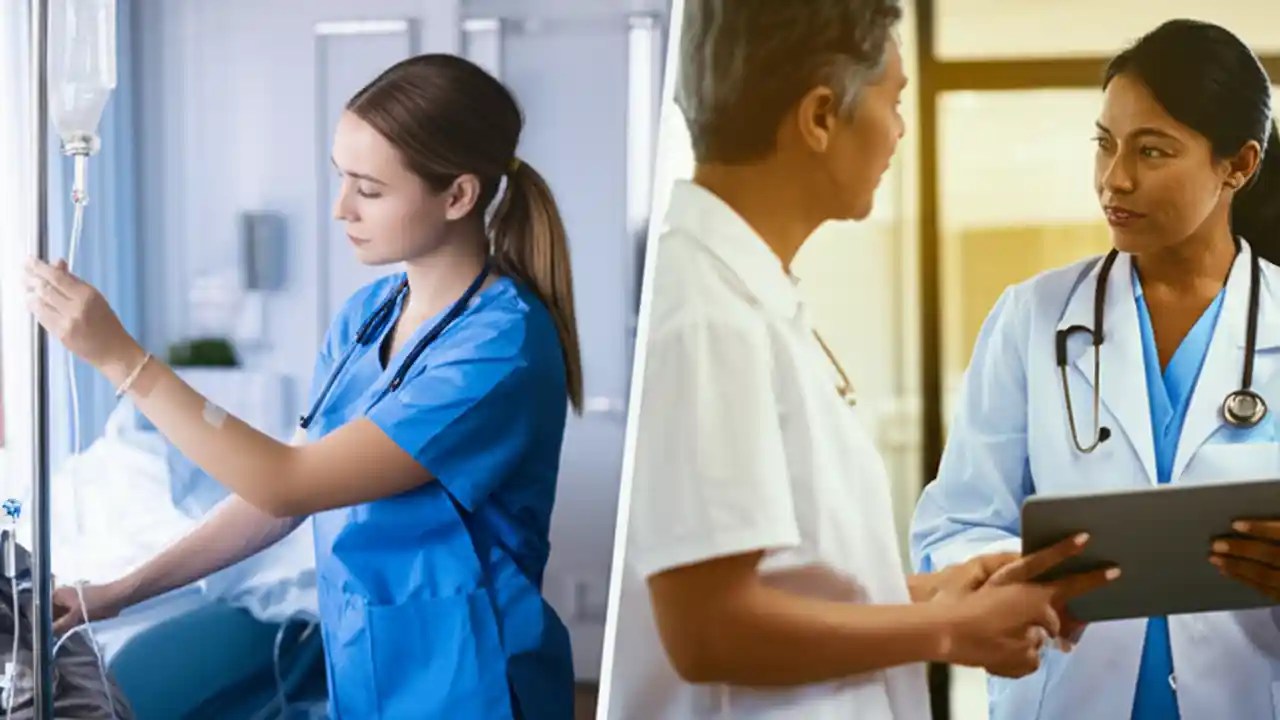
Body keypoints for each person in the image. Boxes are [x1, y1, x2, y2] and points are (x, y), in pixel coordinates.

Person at [25, 53, 582, 720]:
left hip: (472, 687)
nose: (341, 208)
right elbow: (276, 500)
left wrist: (122, 360)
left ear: (458, 196)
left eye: (369, 190)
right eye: (340, 178)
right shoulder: (368, 315)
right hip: (371, 673)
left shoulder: (499, 352)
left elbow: (286, 480)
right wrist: (119, 590)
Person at [604, 2, 1117, 718]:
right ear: (820, 117)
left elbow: (786, 583)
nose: (899, 132)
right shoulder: (704, 315)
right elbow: (707, 630)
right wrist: (948, 630)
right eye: (894, 101)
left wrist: (935, 592)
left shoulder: (750, 294)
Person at [910, 19, 1280, 720]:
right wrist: (1012, 576)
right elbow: (956, 522)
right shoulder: (1032, 319)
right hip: (1068, 696)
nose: (1116, 178)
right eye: (1104, 144)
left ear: (1238, 165)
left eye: (1152, 150)